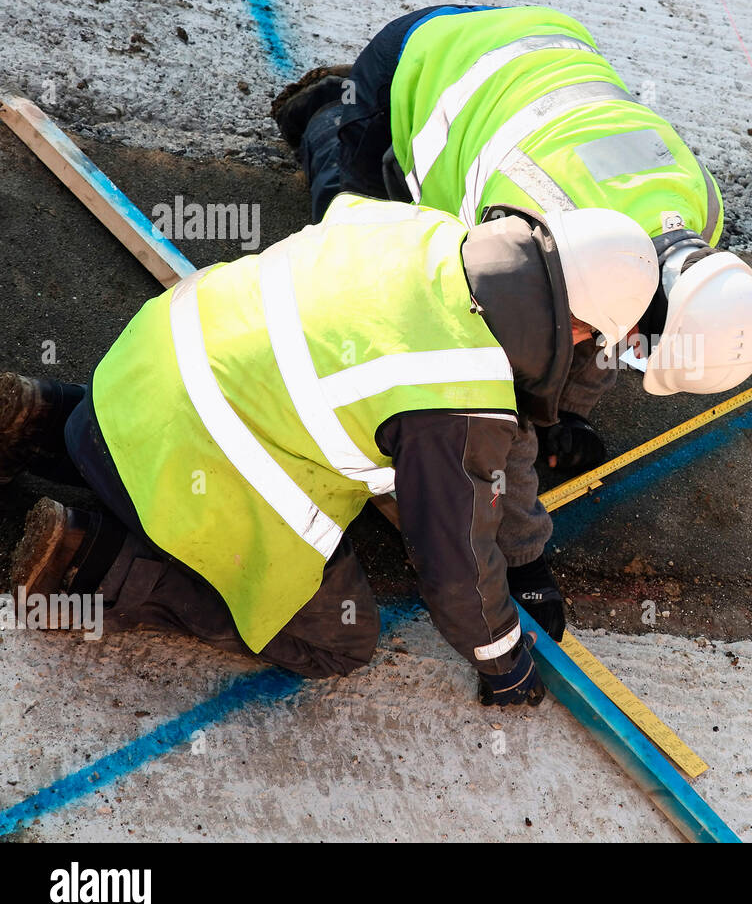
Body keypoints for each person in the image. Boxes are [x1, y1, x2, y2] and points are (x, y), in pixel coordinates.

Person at [3, 194, 660, 706]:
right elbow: (455, 567)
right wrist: (504, 659)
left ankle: (45, 415)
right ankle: (92, 562)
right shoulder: (462, 399)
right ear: (577, 326)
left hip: (144, 365)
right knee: (338, 639)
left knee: (205, 412)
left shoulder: (424, 230)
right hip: (200, 448)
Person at [271, 3, 752, 586]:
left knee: (577, 318)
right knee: (352, 234)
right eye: (641, 349)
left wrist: (569, 412)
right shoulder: (529, 234)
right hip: (414, 62)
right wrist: (522, 560)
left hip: (529, 41)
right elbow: (489, 405)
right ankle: (326, 115)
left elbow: (607, 305)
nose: (629, 355)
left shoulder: (699, 213)